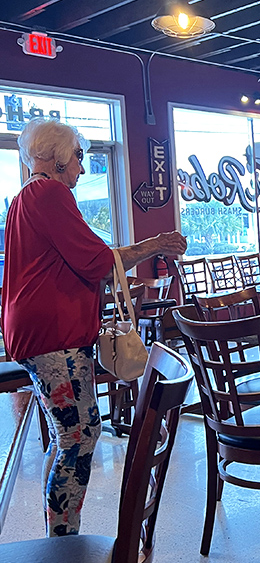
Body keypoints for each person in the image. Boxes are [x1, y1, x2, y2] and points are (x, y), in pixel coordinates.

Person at [1, 118, 187, 536]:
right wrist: (156, 244)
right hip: (54, 336)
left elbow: (87, 258)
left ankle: (56, 534)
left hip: (34, 334)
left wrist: (147, 245)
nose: (82, 169)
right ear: (57, 155)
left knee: (66, 435)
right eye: (80, 157)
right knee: (81, 435)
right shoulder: (49, 193)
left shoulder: (24, 197)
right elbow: (100, 262)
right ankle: (64, 543)